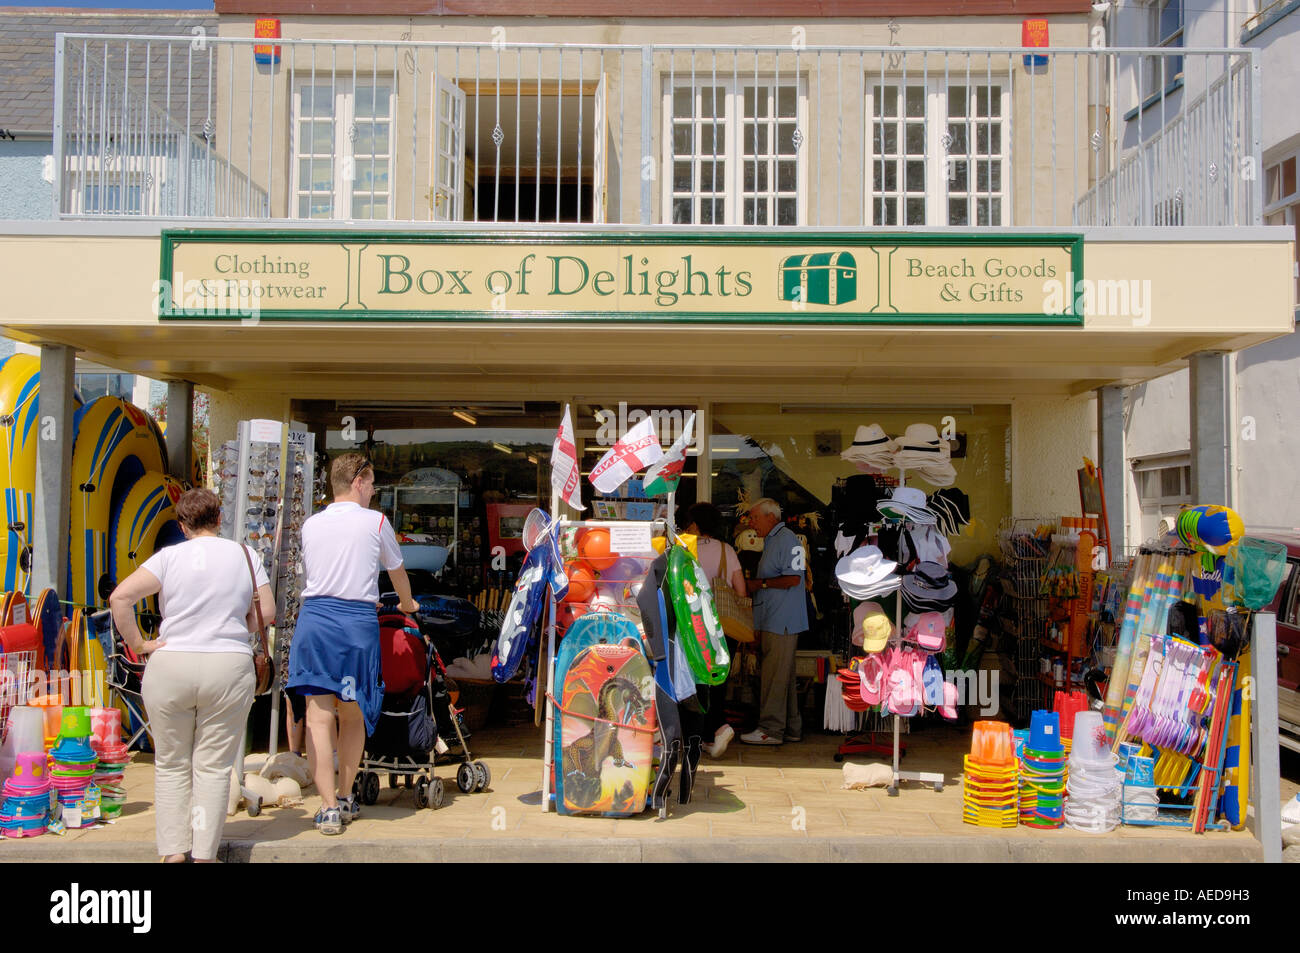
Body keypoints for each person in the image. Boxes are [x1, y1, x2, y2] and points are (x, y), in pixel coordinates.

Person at [109, 488, 276, 863]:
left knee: (170, 764)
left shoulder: (168, 557)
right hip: (228, 666)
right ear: (219, 519)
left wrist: (141, 644)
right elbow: (266, 611)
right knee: (213, 766)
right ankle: (203, 854)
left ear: (183, 526)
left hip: (172, 664)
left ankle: (173, 853)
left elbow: (120, 598)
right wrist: (243, 623)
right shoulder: (246, 555)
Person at [287, 452, 419, 836]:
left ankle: (326, 807)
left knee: (317, 715)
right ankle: (344, 796)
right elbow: (397, 575)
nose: (375, 490)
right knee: (352, 712)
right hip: (355, 626)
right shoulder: (376, 522)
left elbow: (312, 576)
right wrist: (408, 605)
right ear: (358, 482)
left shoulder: (310, 524)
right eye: (373, 483)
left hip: (315, 622)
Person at [681, 502, 747, 759]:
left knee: (693, 680)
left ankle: (705, 734)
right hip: (722, 625)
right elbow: (741, 591)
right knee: (718, 680)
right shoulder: (726, 550)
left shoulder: (684, 547)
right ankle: (715, 731)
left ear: (696, 525)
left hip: (692, 624)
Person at [740, 498, 809, 746]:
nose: (751, 523)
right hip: (774, 618)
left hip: (783, 620)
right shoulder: (773, 540)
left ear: (771, 516)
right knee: (783, 677)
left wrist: (761, 584)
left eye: (755, 517)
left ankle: (770, 729)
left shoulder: (787, 538)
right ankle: (791, 727)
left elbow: (794, 579)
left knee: (774, 676)